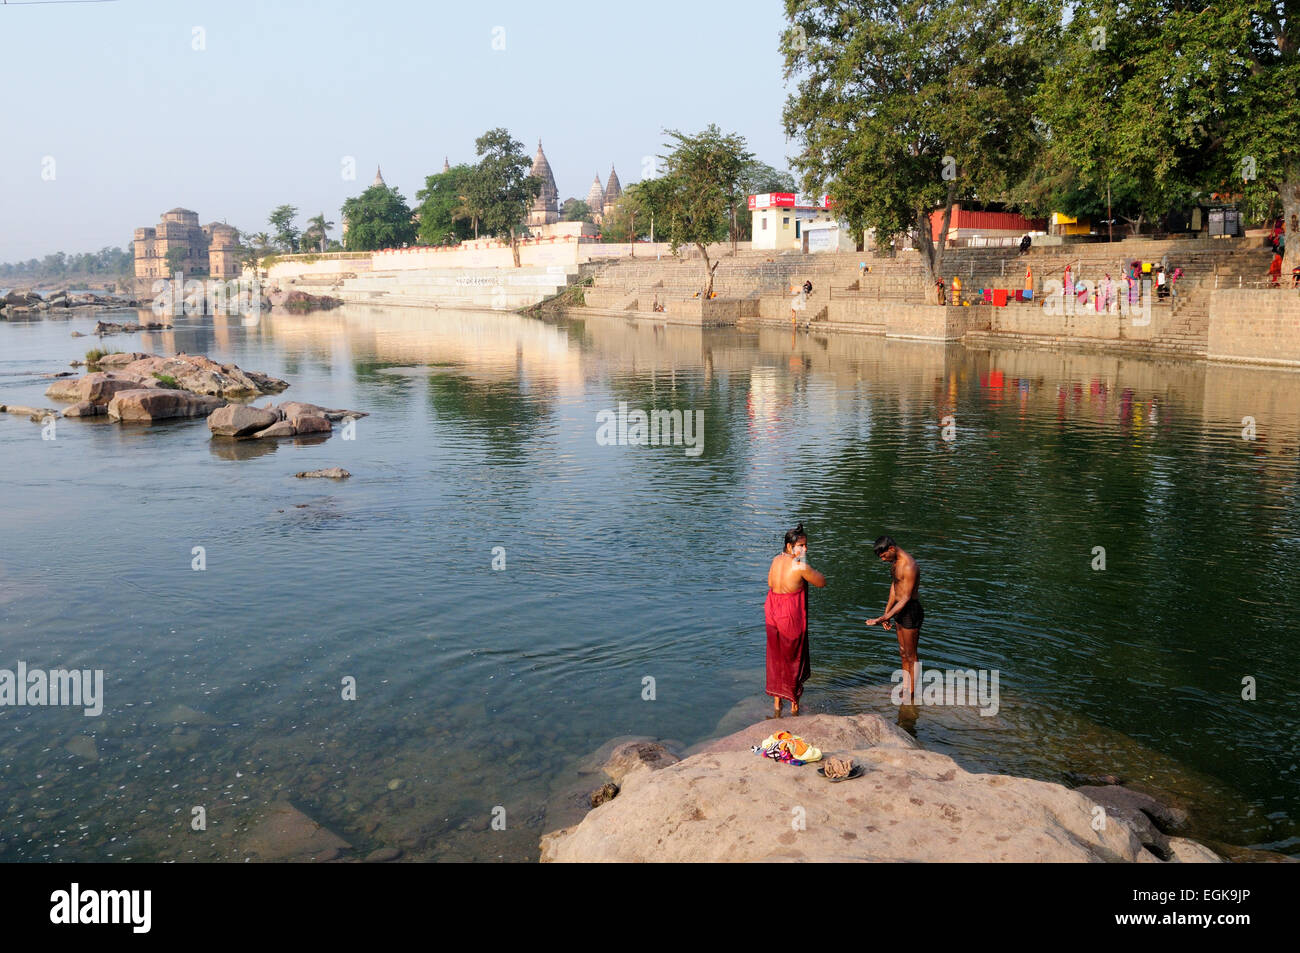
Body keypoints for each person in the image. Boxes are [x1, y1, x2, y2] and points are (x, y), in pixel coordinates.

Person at [766, 523, 825, 716]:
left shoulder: (775, 560)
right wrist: (804, 564)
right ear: (790, 547)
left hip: (773, 610)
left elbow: (769, 582)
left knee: (777, 657)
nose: (805, 549)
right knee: (794, 658)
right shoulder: (799, 566)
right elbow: (821, 582)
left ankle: (777, 704)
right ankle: (794, 707)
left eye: (806, 545)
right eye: (802, 546)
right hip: (790, 614)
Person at [865, 536, 923, 704]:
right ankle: (905, 687)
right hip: (898, 611)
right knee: (902, 652)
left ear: (891, 549)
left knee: (911, 655)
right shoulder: (895, 563)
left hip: (910, 611)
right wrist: (887, 611)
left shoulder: (909, 565)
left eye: (883, 556)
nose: (882, 559)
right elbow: (894, 586)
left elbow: (905, 598)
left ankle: (912, 693)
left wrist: (883, 618)